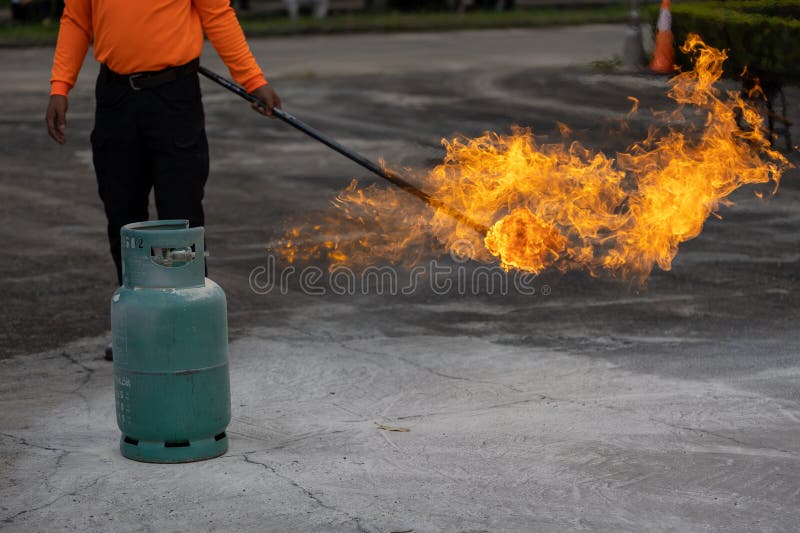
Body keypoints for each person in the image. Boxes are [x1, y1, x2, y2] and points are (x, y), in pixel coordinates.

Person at [45, 0, 281, 360]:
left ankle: (190, 324)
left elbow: (217, 14)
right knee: (124, 218)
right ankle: (137, 324)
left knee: (180, 215)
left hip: (174, 98)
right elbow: (77, 20)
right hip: (115, 98)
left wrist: (252, 79)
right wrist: (60, 86)